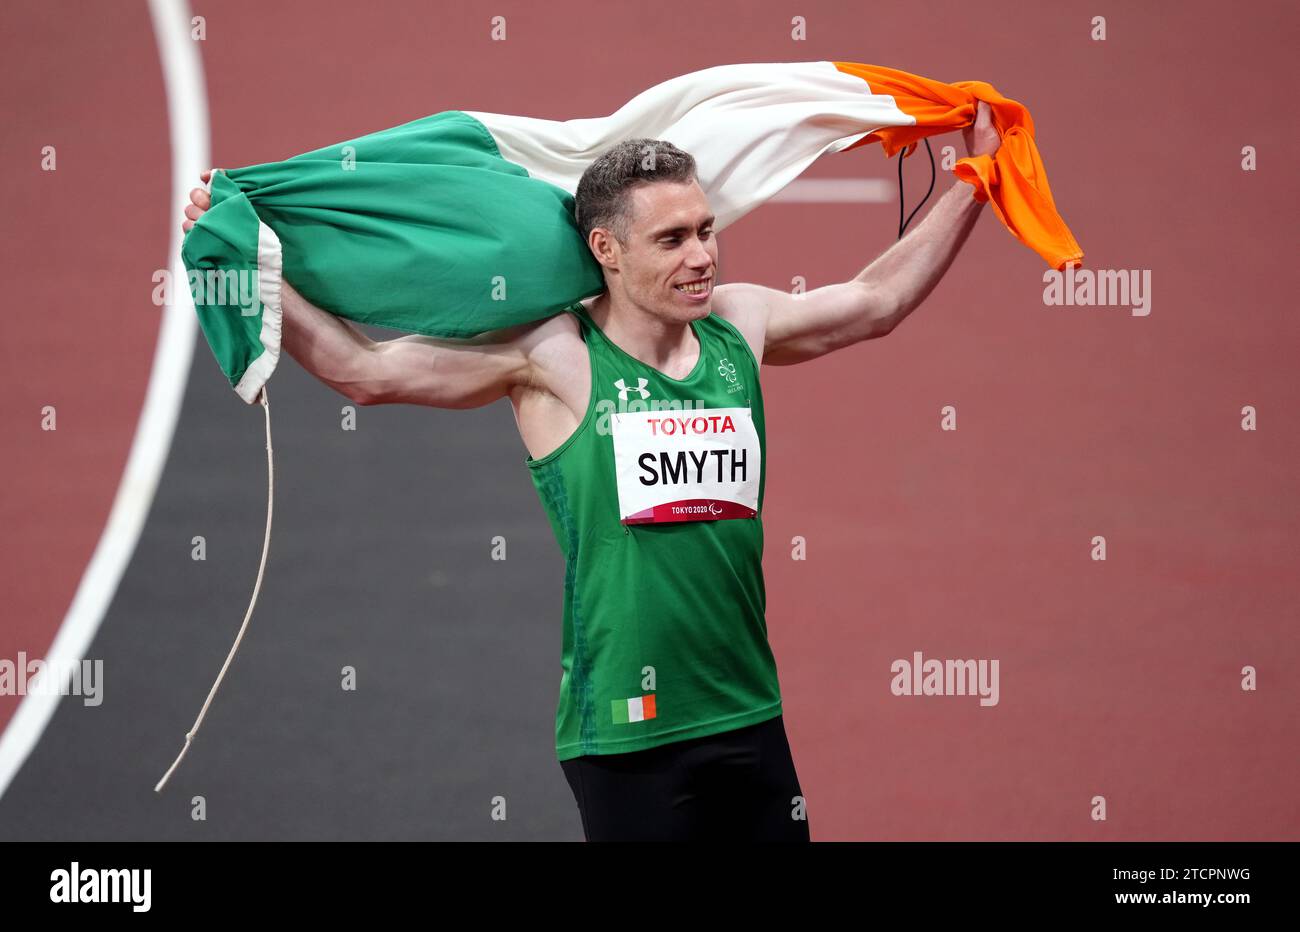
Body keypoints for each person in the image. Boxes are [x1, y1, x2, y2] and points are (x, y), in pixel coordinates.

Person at [181, 102, 1001, 842]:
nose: (702, 257)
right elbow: (368, 371)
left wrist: (976, 180)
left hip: (750, 716)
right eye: (672, 240)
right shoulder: (556, 358)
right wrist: (250, 266)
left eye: (706, 230)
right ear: (605, 249)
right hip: (626, 736)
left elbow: (877, 302)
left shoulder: (739, 326)